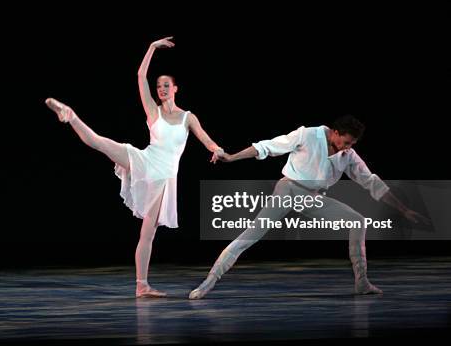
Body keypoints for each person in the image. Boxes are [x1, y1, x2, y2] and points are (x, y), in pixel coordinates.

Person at [45, 37, 224, 298]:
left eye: (166, 85)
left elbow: (206, 138)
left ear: (175, 88)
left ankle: (142, 285)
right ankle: (70, 115)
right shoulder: (153, 111)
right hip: (145, 161)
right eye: (159, 86)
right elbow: (141, 76)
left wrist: (216, 149)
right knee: (100, 143)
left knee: (147, 235)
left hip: (164, 179)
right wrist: (152, 47)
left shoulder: (188, 117)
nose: (161, 89)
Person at [189, 115, 429, 299]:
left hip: (311, 197)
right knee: (251, 235)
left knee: (358, 221)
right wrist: (231, 157)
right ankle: (209, 281)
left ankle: (362, 282)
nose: (347, 147)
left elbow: (371, 182)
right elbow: (268, 146)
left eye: (351, 144)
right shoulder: (308, 135)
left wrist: (403, 210)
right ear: (335, 132)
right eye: (345, 142)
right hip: (288, 189)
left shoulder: (348, 155)